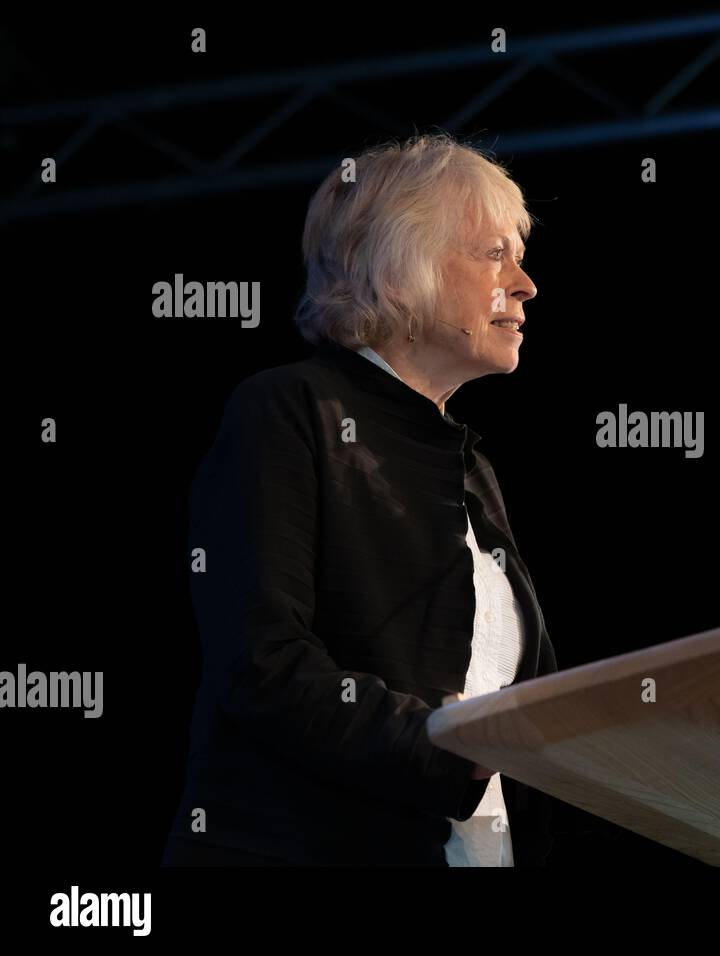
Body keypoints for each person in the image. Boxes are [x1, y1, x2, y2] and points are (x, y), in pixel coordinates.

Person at [161, 132, 558, 866]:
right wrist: (453, 746)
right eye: (493, 253)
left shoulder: (471, 470)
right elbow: (263, 664)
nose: (525, 283)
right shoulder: (286, 411)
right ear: (400, 270)